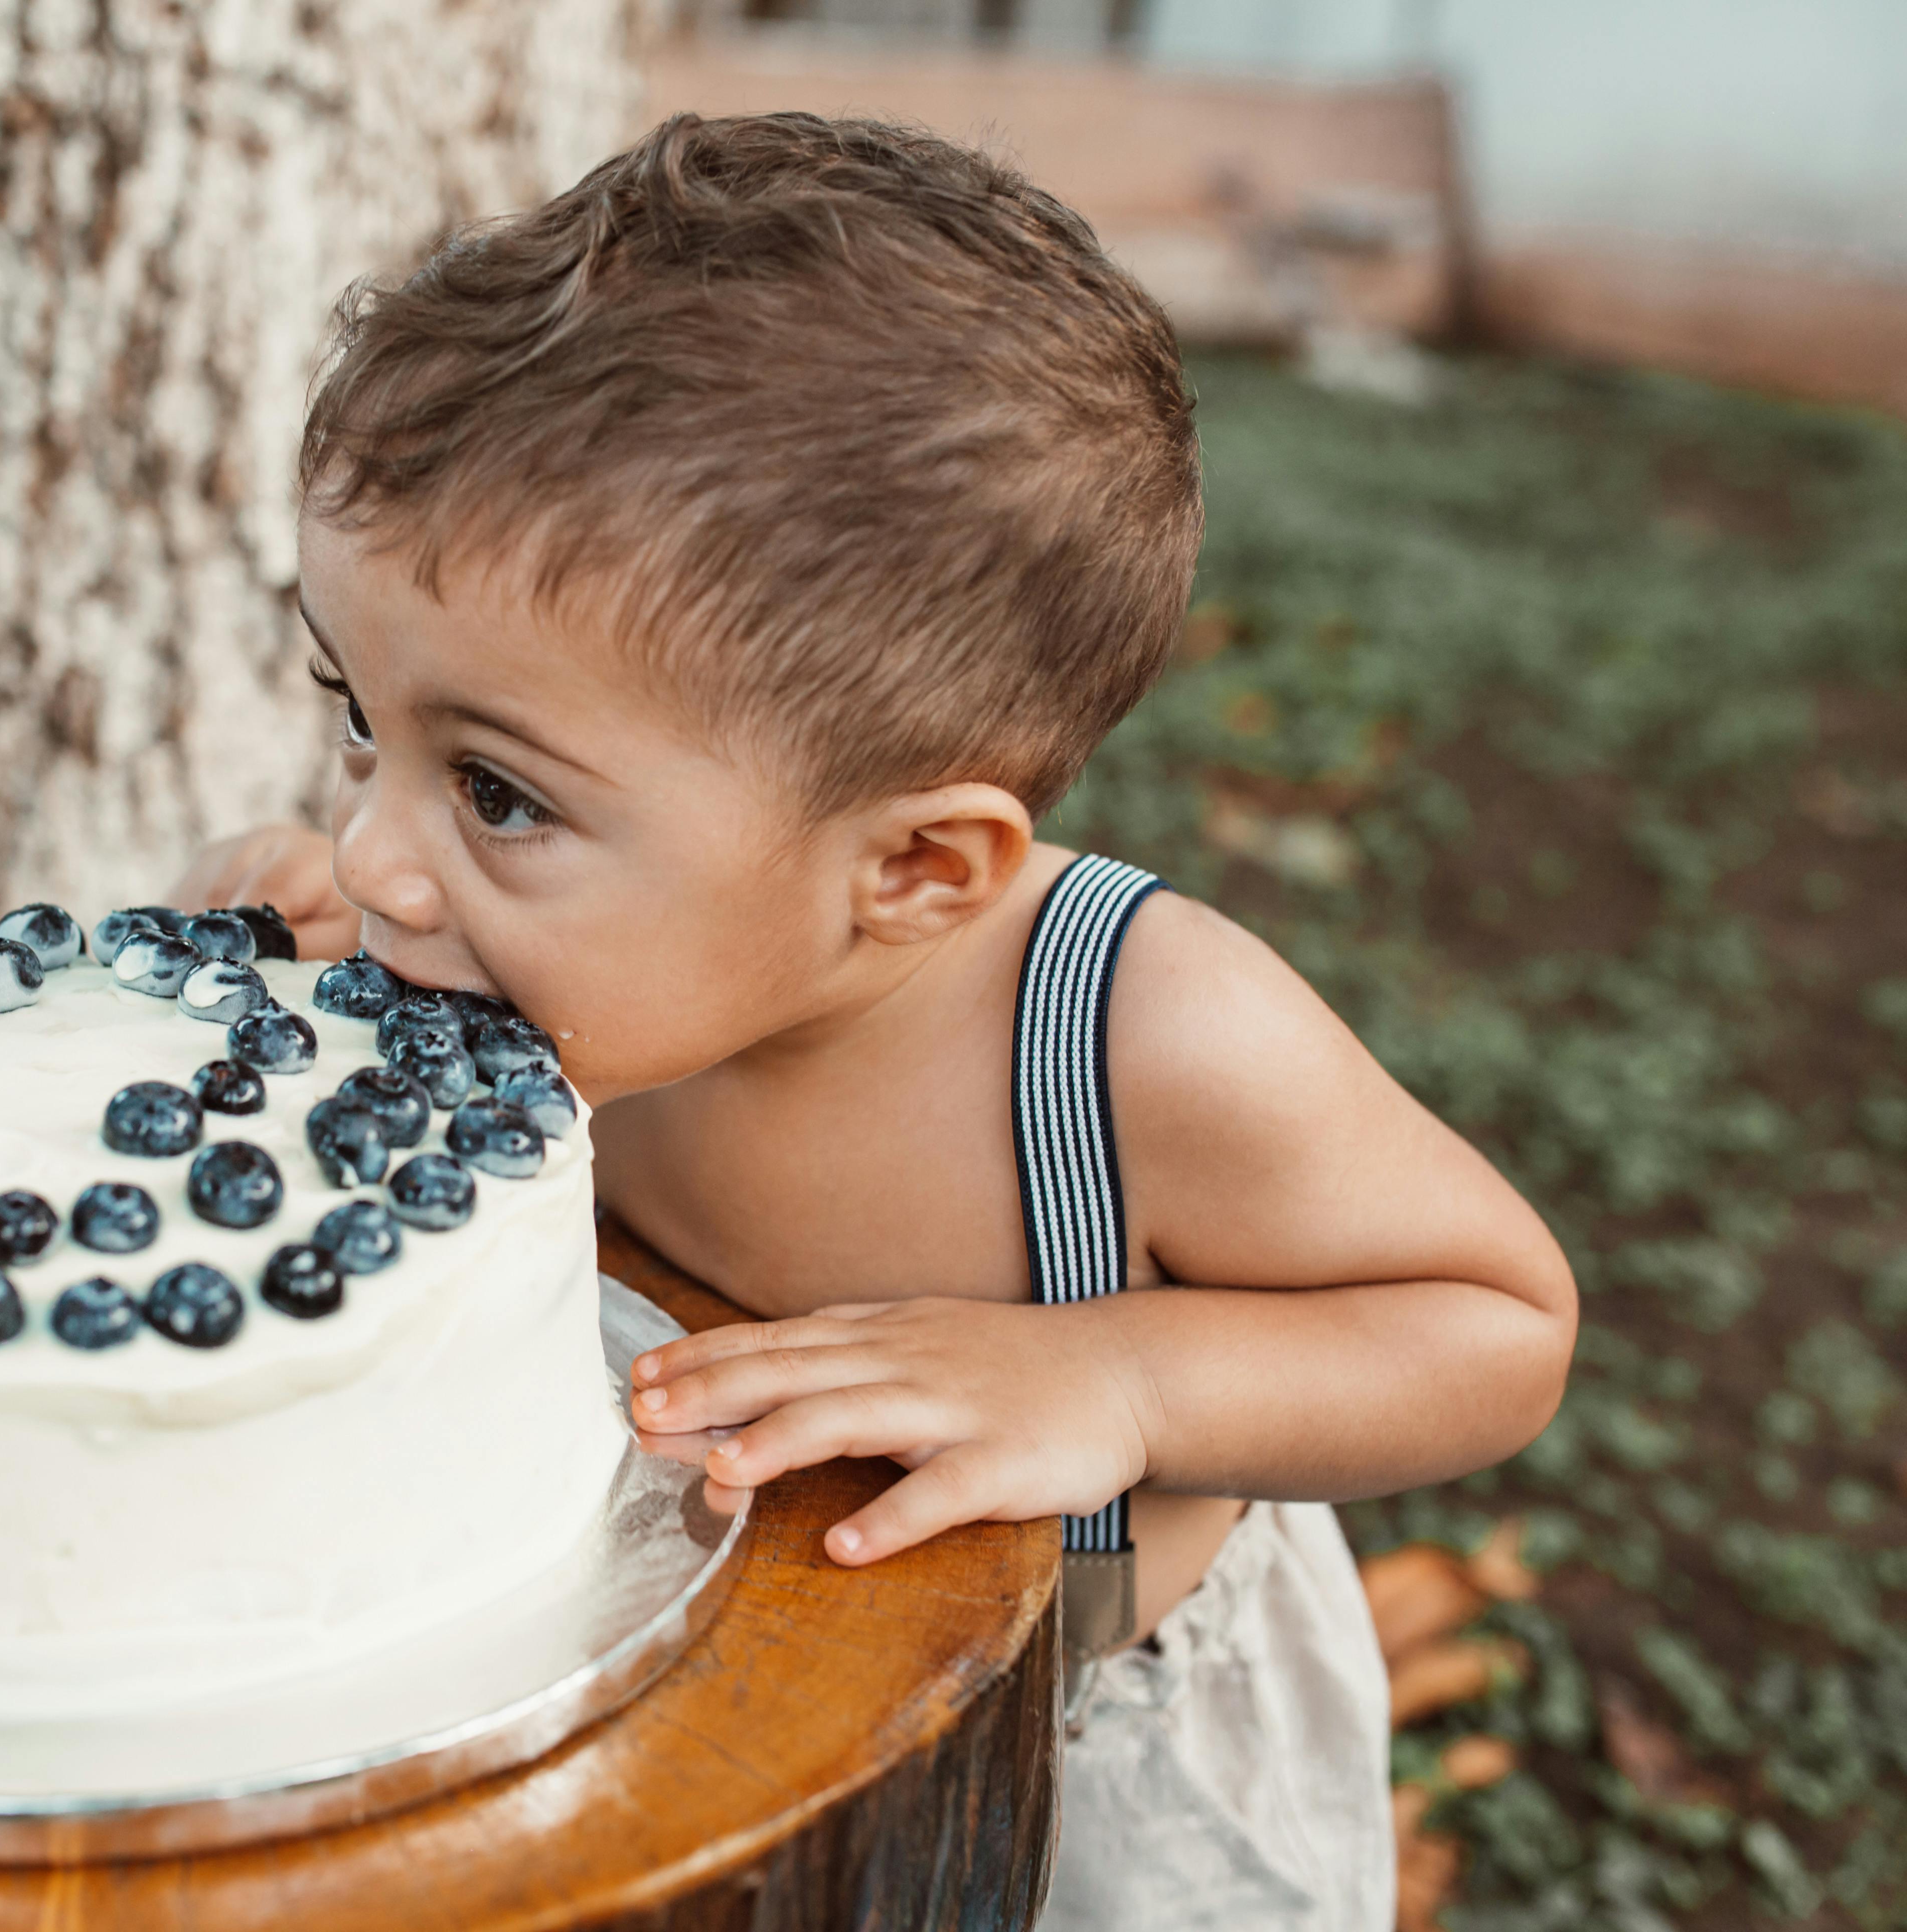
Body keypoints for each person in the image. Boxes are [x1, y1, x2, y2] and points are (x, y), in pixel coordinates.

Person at [175, 111, 1573, 1929]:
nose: (377, 849)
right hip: (691, 1707)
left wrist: (1121, 1378)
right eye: (356, 710)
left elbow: (1495, 1322)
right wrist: (261, 963)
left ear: (911, 871)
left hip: (1075, 1754)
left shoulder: (1131, 1036)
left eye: (498, 793)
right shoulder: (506, 943)